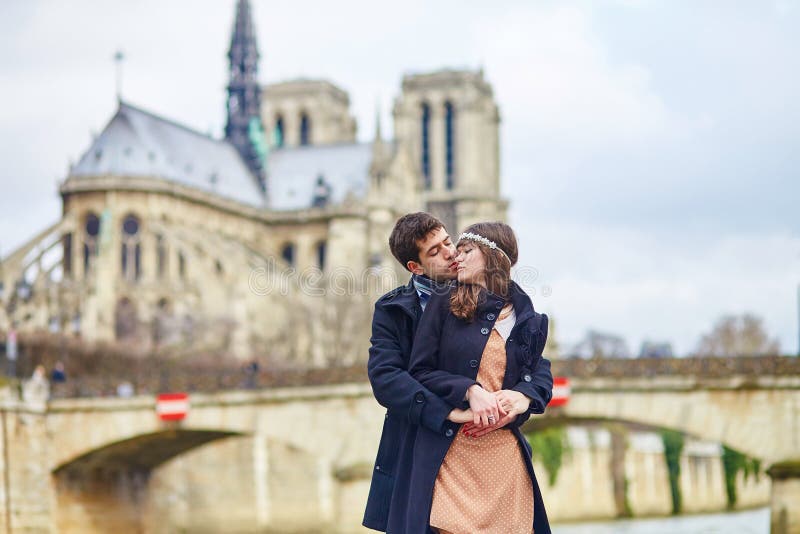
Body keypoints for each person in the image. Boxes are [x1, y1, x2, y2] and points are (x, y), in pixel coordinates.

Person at [364, 213, 553, 533]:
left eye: (449, 242)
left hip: (494, 451)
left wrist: (522, 397)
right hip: (425, 444)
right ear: (416, 267)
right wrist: (454, 408)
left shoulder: (512, 303)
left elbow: (535, 365)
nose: (451, 253)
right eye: (436, 251)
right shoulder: (394, 308)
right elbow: (388, 378)